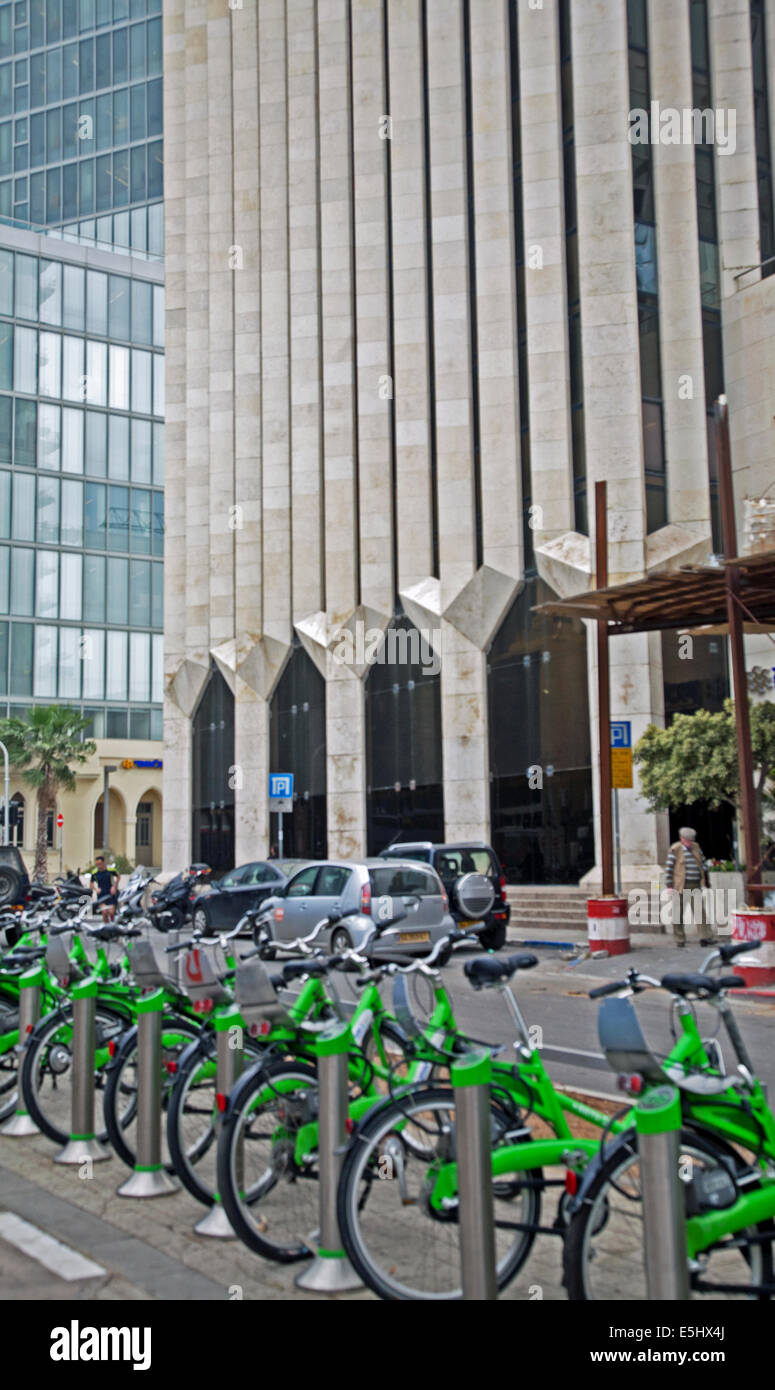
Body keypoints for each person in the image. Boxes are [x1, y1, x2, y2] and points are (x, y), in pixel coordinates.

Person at [665, 827, 713, 948]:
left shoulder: (696, 848)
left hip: (695, 884)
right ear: (682, 839)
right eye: (687, 841)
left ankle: (705, 937)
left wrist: (706, 881)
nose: (689, 843)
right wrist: (669, 885)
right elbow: (669, 869)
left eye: (691, 840)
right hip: (680, 886)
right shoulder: (675, 849)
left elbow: (703, 864)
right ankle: (680, 939)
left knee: (699, 912)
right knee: (678, 912)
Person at [90, 855, 118, 922]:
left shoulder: (110, 870)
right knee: (104, 912)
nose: (99, 866)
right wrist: (96, 889)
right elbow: (91, 883)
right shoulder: (94, 872)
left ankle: (113, 924)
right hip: (101, 894)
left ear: (103, 863)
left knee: (111, 912)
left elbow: (118, 877)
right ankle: (107, 927)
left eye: (100, 864)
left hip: (110, 893)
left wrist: (114, 886)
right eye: (97, 864)